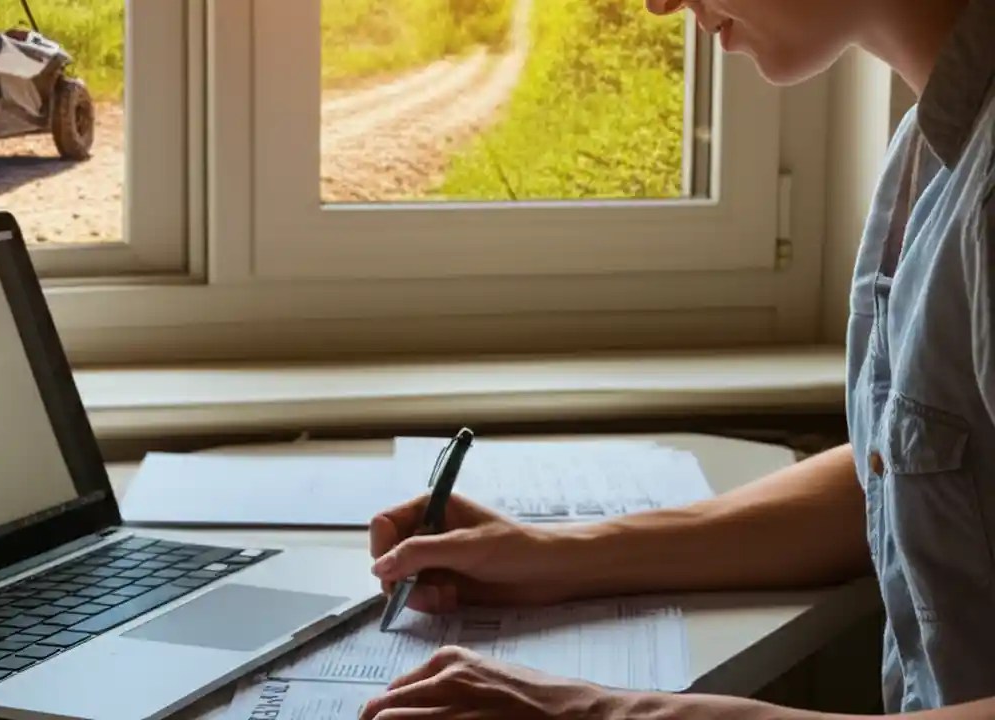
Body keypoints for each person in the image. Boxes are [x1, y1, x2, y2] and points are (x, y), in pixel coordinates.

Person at [363, 0, 995, 717]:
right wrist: (555, 557)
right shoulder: (930, 149)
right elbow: (901, 479)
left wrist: (610, 713)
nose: (659, 3)